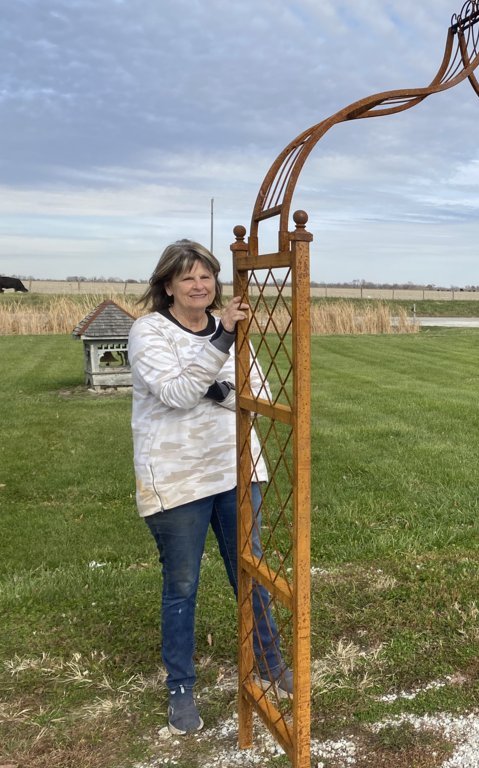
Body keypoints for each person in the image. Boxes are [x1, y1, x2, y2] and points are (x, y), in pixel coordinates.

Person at [129, 239, 290, 735]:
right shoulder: (149, 332)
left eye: (206, 276)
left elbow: (257, 393)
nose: (199, 285)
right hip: (177, 478)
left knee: (250, 569)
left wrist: (218, 390)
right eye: (188, 278)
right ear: (168, 286)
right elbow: (176, 394)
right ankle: (181, 687)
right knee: (182, 586)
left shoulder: (231, 334)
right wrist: (219, 345)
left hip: (235, 469)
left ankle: (270, 661)